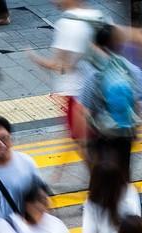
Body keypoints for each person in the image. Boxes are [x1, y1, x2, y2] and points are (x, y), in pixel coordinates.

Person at [29, 0, 105, 158]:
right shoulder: (97, 16)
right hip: (101, 88)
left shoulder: (66, 24)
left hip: (76, 93)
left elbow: (59, 66)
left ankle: (102, 180)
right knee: (98, 139)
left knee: (83, 143)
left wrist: (34, 57)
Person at [79, 23, 142, 178]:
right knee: (123, 172)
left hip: (104, 134)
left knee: (104, 176)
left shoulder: (94, 74)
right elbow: (139, 104)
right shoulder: (132, 70)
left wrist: (84, 143)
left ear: (96, 46)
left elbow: (85, 112)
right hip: (127, 133)